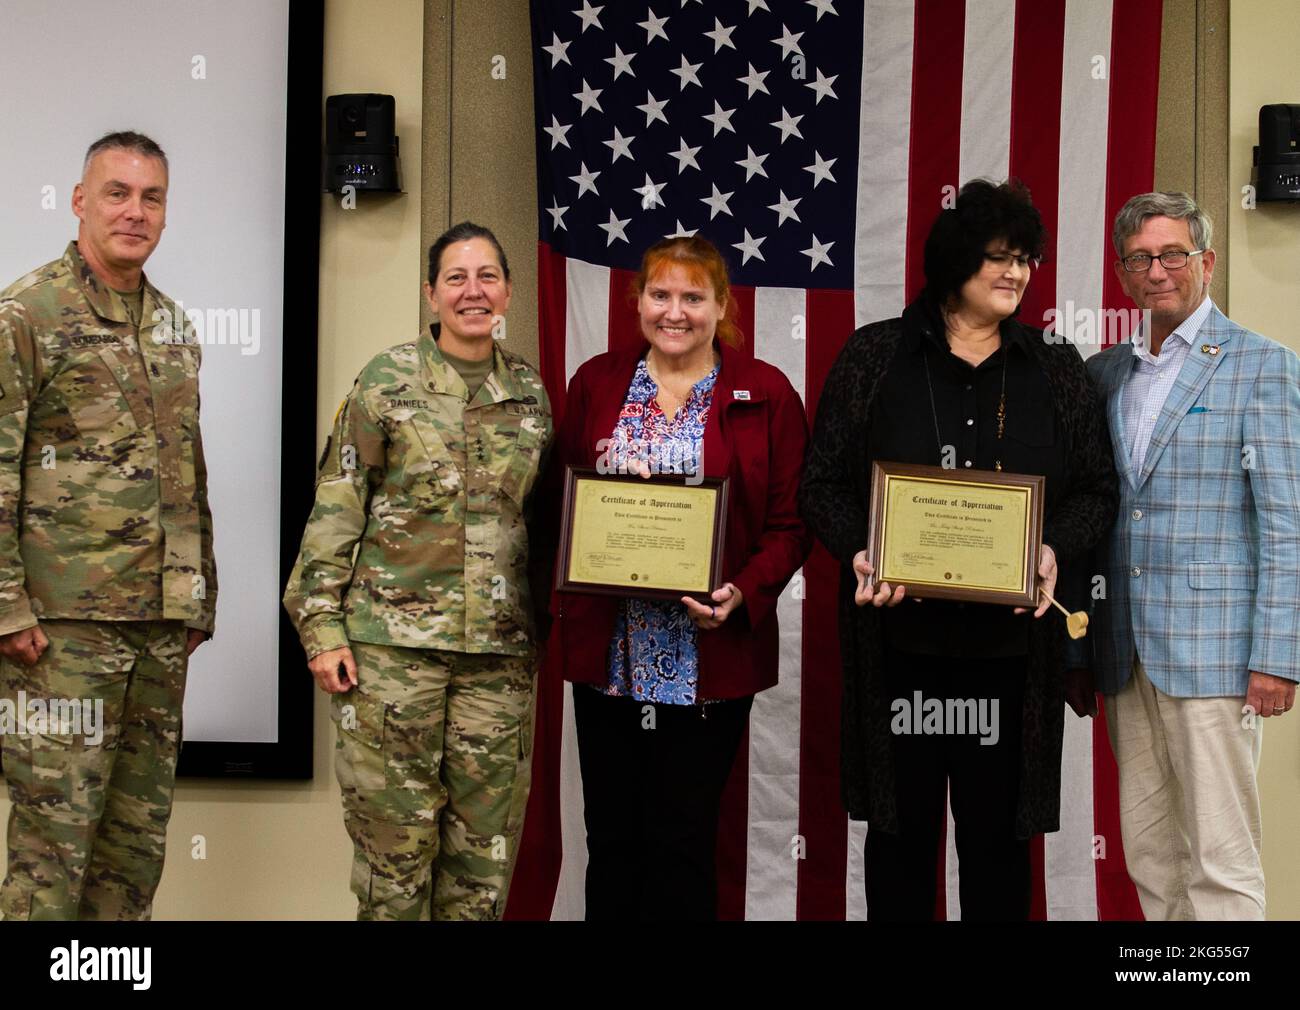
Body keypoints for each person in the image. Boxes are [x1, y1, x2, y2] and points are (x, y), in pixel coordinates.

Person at [800, 179, 1118, 920]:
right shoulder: (875, 356)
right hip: (898, 653)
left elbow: (1097, 489)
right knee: (899, 845)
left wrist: (1049, 549)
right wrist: (860, 551)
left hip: (1011, 663)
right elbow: (820, 484)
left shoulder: (1056, 366)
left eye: (1026, 260)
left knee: (999, 854)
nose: (1016, 274)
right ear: (954, 263)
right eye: (998, 259)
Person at [283, 222, 551, 921]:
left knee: (481, 872)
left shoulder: (531, 395)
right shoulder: (385, 381)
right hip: (391, 662)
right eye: (456, 278)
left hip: (496, 662)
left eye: (487, 276)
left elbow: (548, 524)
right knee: (394, 868)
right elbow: (337, 508)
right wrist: (321, 629)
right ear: (430, 294)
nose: (473, 291)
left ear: (508, 291)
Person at [546, 235, 810, 920]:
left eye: (693, 297)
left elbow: (791, 522)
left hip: (708, 654)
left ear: (721, 305)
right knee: (613, 840)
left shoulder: (767, 392)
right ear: (637, 301)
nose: (675, 311)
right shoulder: (596, 383)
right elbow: (558, 504)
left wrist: (742, 594)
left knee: (685, 843)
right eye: (660, 294)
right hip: (611, 655)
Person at [0, 131, 217, 920]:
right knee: (52, 854)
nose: (135, 211)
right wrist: (7, 609)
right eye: (118, 193)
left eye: (151, 196)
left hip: (157, 627)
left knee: (133, 852)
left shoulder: (174, 326)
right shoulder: (28, 312)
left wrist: (199, 596)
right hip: (61, 634)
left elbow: (186, 471)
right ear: (80, 201)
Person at [1078, 191, 1299, 920]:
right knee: (1149, 855)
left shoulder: (1263, 366)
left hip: (1218, 658)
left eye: (1174, 254)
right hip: (1126, 653)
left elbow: (1286, 524)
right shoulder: (1104, 373)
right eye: (1141, 259)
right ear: (1122, 275)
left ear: (1206, 262)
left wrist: (1278, 654)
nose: (1158, 270)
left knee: (1220, 862)